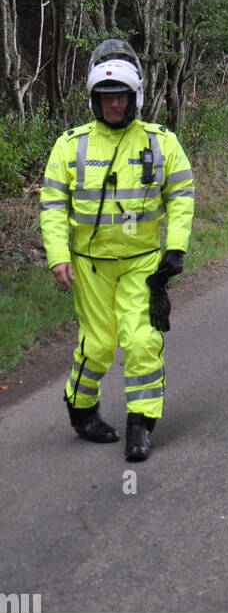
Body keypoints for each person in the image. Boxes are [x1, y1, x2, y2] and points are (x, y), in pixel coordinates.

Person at [39, 40, 194, 463]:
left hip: (142, 264)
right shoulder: (69, 146)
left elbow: (181, 194)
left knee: (142, 340)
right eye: (106, 97)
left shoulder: (160, 142)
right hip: (90, 267)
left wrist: (174, 248)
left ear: (134, 98)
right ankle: (82, 408)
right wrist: (58, 254)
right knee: (99, 343)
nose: (113, 105)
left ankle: (140, 423)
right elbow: (53, 205)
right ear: (94, 99)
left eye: (120, 97)